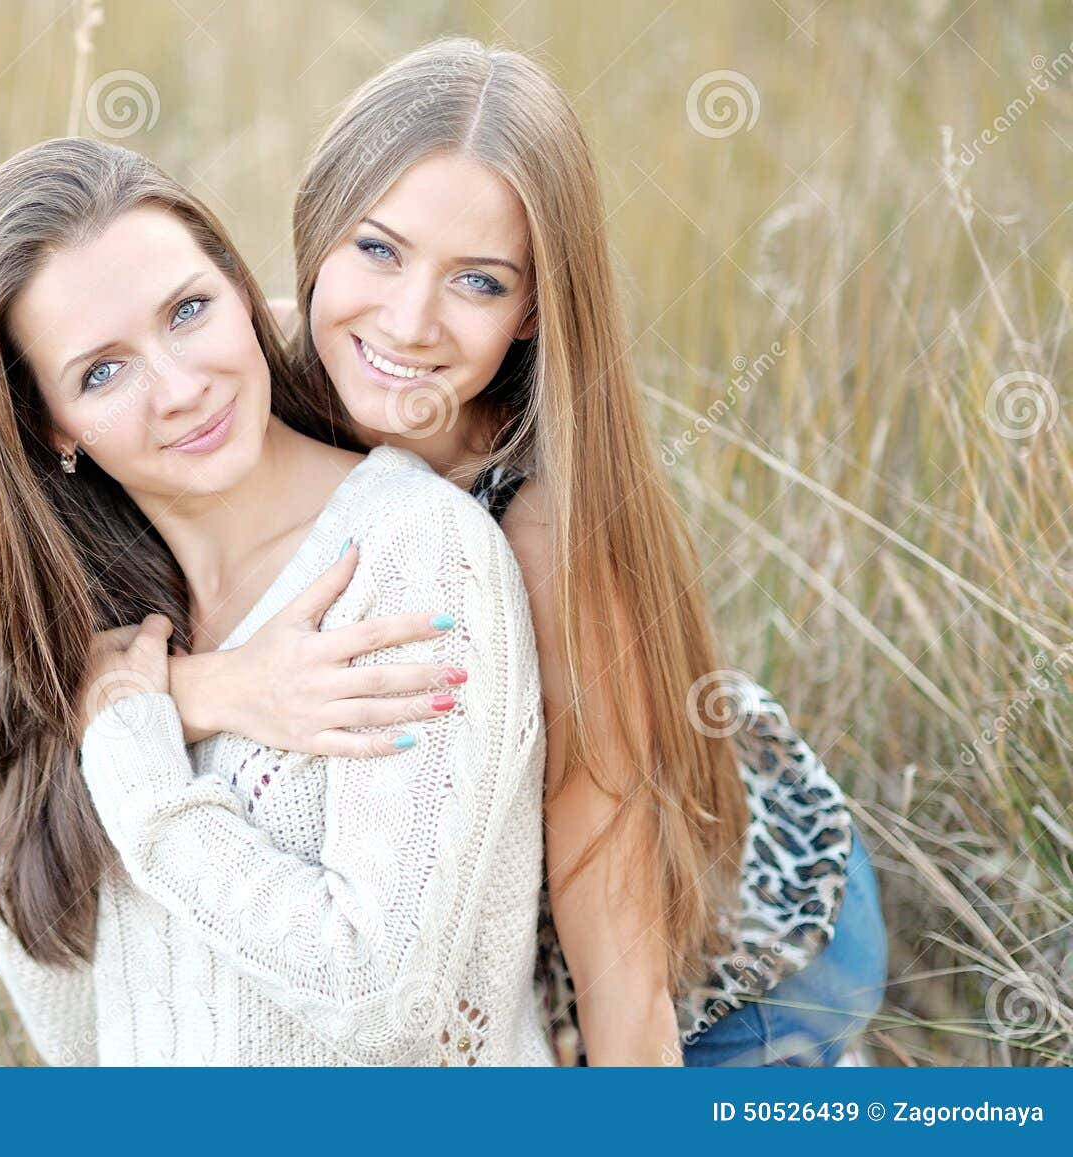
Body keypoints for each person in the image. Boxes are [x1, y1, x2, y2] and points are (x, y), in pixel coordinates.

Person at [162, 37, 888, 1066]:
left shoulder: (541, 531)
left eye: (478, 281)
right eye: (378, 249)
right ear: (318, 229)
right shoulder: (241, 380)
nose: (408, 321)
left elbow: (623, 973)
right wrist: (214, 689)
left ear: (534, 307)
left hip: (742, 962)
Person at [0, 136, 553, 1065]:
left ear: (244, 295)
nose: (181, 388)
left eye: (188, 310)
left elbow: (388, 1000)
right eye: (102, 372)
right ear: (49, 425)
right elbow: (87, 1047)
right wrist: (180, 697)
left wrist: (142, 774)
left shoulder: (412, 556)